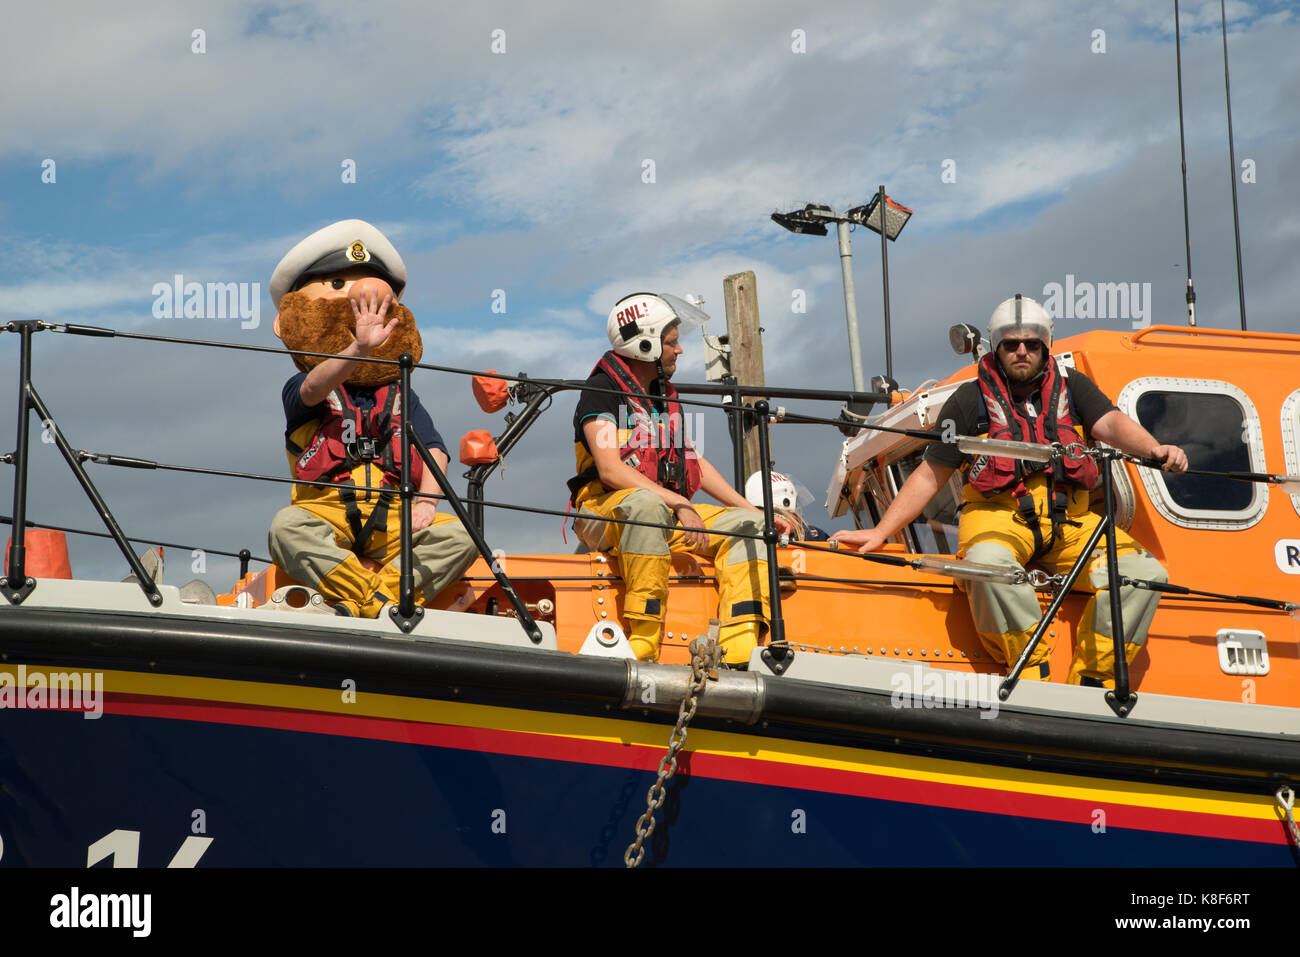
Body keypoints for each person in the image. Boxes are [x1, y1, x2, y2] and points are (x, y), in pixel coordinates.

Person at [832, 294, 1188, 686]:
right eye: (1011, 344)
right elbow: (931, 473)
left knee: (1142, 572)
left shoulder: (1075, 389)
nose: (1022, 351)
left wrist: (1155, 448)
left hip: (1073, 522)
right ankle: (1032, 669)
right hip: (998, 518)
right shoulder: (968, 401)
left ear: (1045, 345)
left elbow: (1112, 424)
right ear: (997, 347)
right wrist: (882, 531)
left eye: (1031, 343)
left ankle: (1092, 679)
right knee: (987, 566)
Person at [568, 292, 793, 665]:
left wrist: (759, 514)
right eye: (672, 342)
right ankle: (642, 641)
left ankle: (738, 646)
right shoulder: (600, 393)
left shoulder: (662, 398)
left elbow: (695, 465)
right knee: (646, 505)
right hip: (603, 513)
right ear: (645, 346)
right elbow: (610, 469)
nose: (680, 351)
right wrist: (681, 503)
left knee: (750, 526)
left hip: (664, 512)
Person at [266, 219, 477, 618]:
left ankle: (370, 599)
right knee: (286, 528)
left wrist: (428, 505)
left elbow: (436, 452)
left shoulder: (400, 393)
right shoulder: (303, 386)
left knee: (460, 535)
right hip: (325, 509)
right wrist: (358, 347)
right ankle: (381, 601)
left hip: (396, 513)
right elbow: (312, 390)